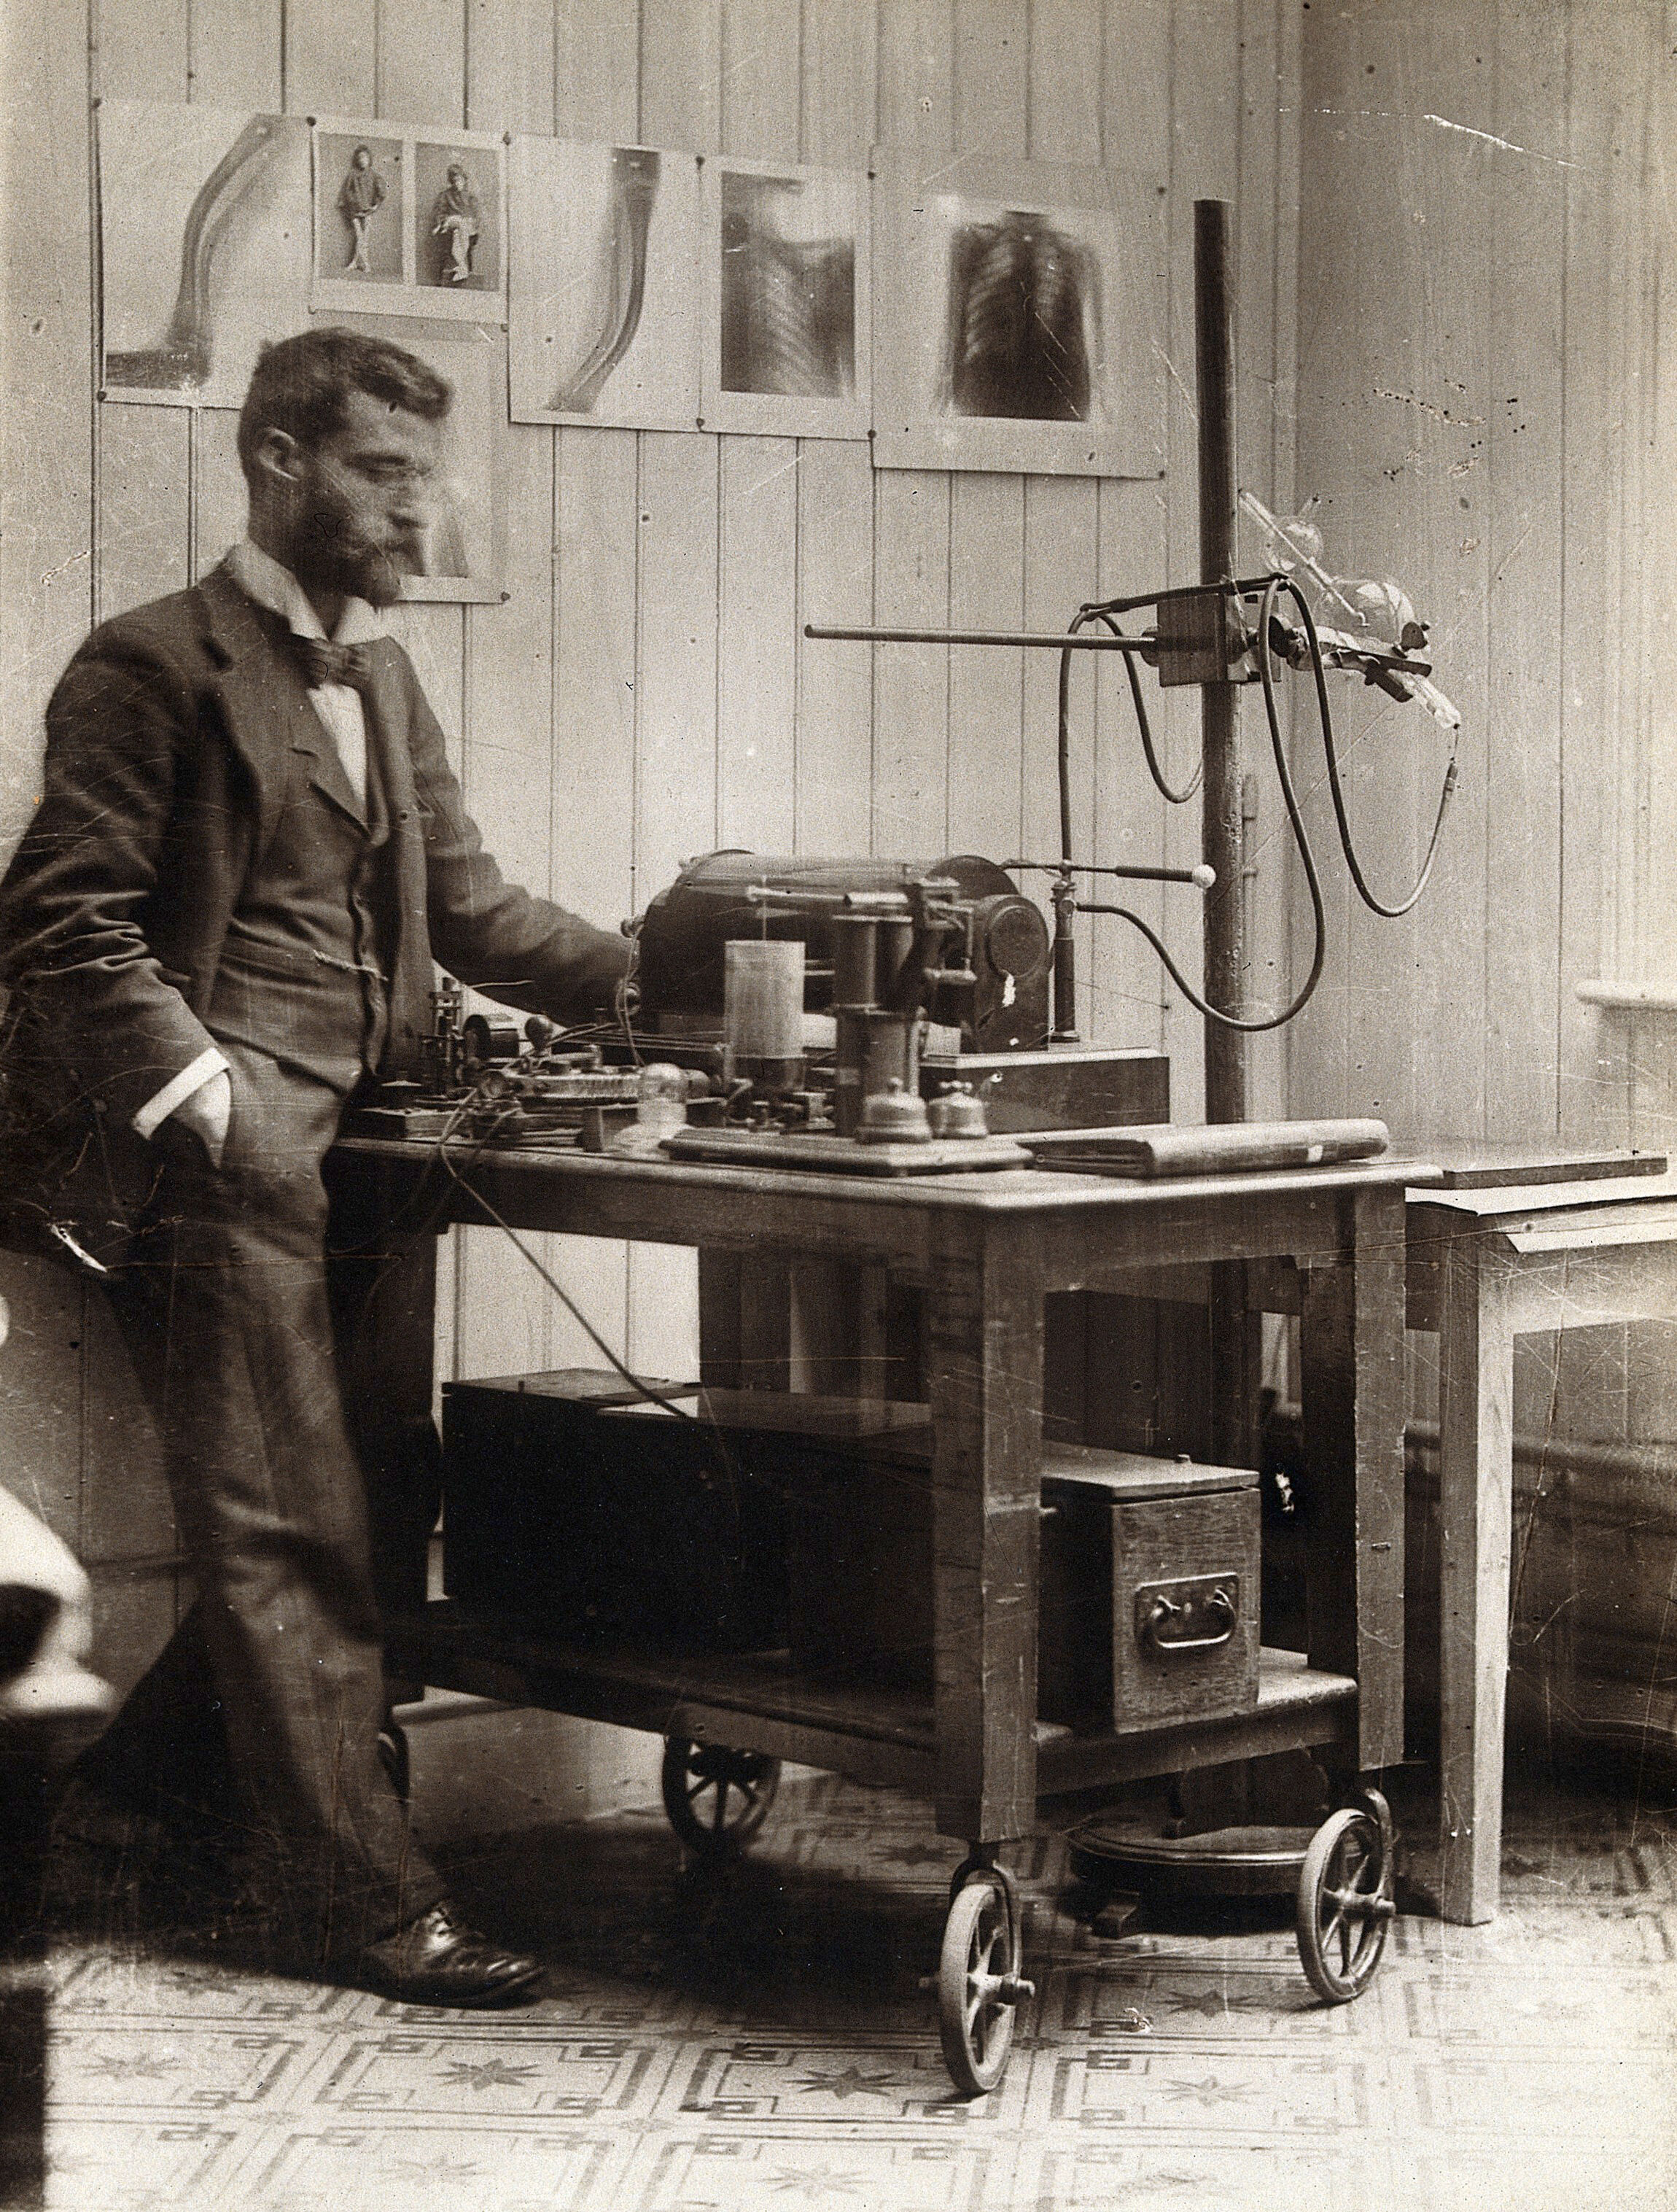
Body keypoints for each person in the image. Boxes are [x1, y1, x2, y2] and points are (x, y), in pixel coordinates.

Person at [0, 327, 630, 2004]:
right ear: (277, 463)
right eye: (383, 475)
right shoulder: (150, 666)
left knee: (381, 1487)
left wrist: (660, 976)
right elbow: (59, 919)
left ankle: (111, 1822)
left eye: (426, 477)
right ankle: (358, 1901)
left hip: (366, 1160)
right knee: (294, 1531)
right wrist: (203, 1097)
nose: (419, 515)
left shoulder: (385, 679)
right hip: (212, 1169)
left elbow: (475, 905)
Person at [338, 144, 386, 275]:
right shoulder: (353, 175)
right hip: (354, 210)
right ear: (357, 160)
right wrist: (353, 202)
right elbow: (347, 191)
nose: (363, 160)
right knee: (360, 236)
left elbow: (382, 191)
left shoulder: (374, 175)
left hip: (368, 210)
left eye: (365, 158)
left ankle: (356, 262)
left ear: (369, 159)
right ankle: (365, 263)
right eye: (360, 158)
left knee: (364, 238)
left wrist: (376, 204)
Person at [430, 162, 481, 285]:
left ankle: (462, 267)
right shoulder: (446, 195)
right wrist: (441, 223)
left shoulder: (470, 197)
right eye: (455, 180)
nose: (458, 182)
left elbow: (476, 216)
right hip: (449, 226)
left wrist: (470, 220)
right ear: (452, 181)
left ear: (465, 179)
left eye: (461, 179)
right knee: (459, 223)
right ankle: (462, 268)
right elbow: (440, 212)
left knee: (461, 230)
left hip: (466, 228)